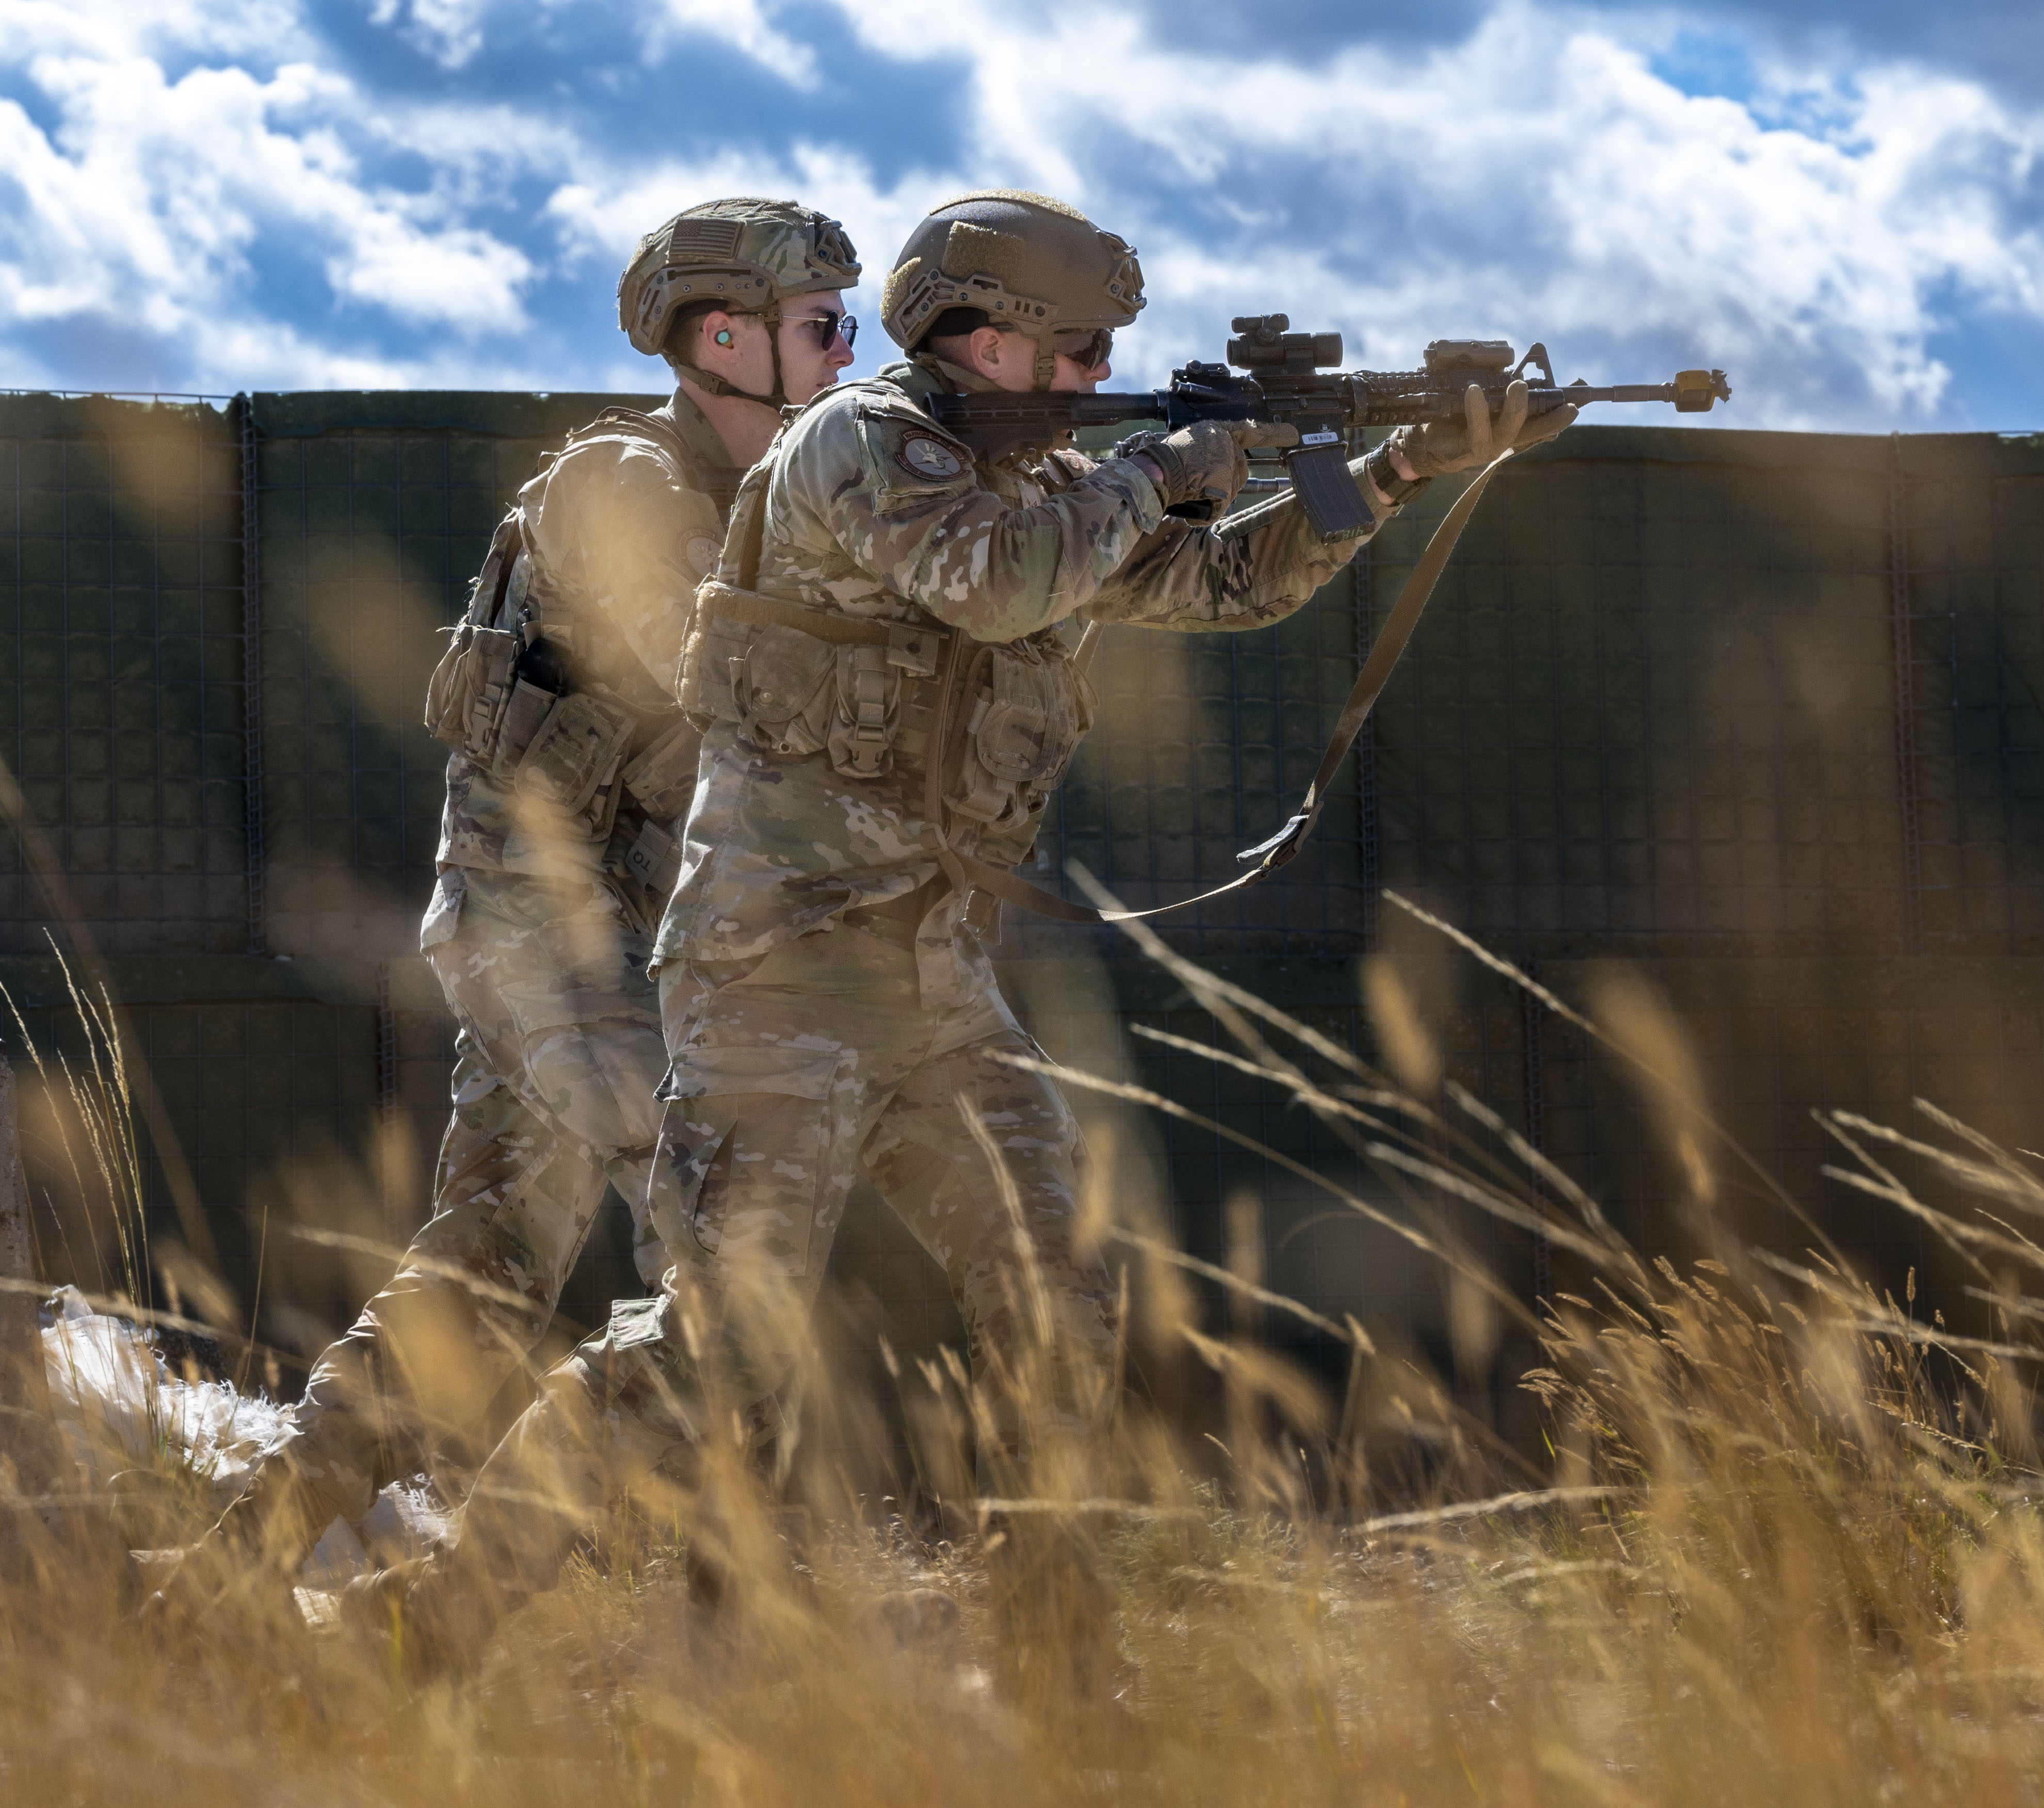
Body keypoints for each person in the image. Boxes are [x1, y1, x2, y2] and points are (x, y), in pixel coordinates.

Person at [358, 188, 1572, 1657]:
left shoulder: (1053, 480)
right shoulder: (855, 448)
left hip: (932, 976)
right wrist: (1162, 468)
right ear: (983, 343)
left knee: (1056, 1300)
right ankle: (447, 1613)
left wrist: (1389, 473)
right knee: (721, 1350)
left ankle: (1054, 1649)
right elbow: (998, 588)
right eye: (1070, 358)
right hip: (776, 972)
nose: (1089, 387)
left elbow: (1217, 586)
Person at [160, 197, 861, 1607]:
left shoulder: (752, 496)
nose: (849, 358)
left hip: (592, 951)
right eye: (823, 329)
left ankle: (229, 1572)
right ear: (721, 340)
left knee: (475, 1281)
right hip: (550, 947)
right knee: (726, 1261)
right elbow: (729, 682)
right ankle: (690, 1608)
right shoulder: (623, 490)